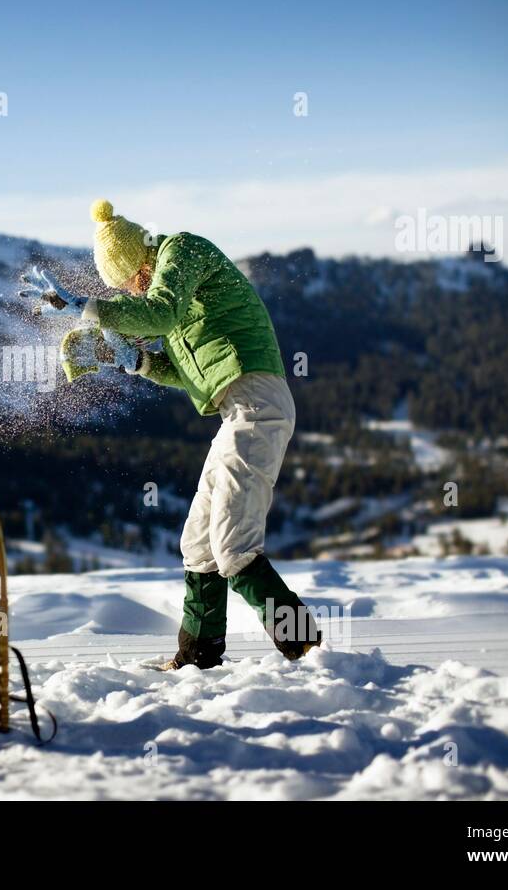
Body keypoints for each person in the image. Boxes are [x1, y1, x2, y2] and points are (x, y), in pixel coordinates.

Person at [21, 199, 320, 669]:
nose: (132, 291)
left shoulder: (182, 252)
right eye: (121, 288)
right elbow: (187, 373)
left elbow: (158, 313)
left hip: (258, 404)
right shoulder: (174, 300)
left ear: (142, 259)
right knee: (199, 544)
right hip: (235, 411)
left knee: (233, 545)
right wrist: (136, 362)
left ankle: (304, 645)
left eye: (129, 280)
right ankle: (198, 657)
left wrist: (86, 307)